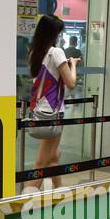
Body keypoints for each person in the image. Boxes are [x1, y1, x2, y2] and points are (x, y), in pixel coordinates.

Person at [27, 13, 78, 188]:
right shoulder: (56, 53)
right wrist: (73, 65)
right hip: (53, 113)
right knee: (41, 163)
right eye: (58, 33)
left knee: (54, 156)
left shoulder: (34, 52)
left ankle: (60, 193)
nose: (60, 36)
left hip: (39, 111)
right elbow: (71, 83)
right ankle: (26, 200)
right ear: (53, 34)